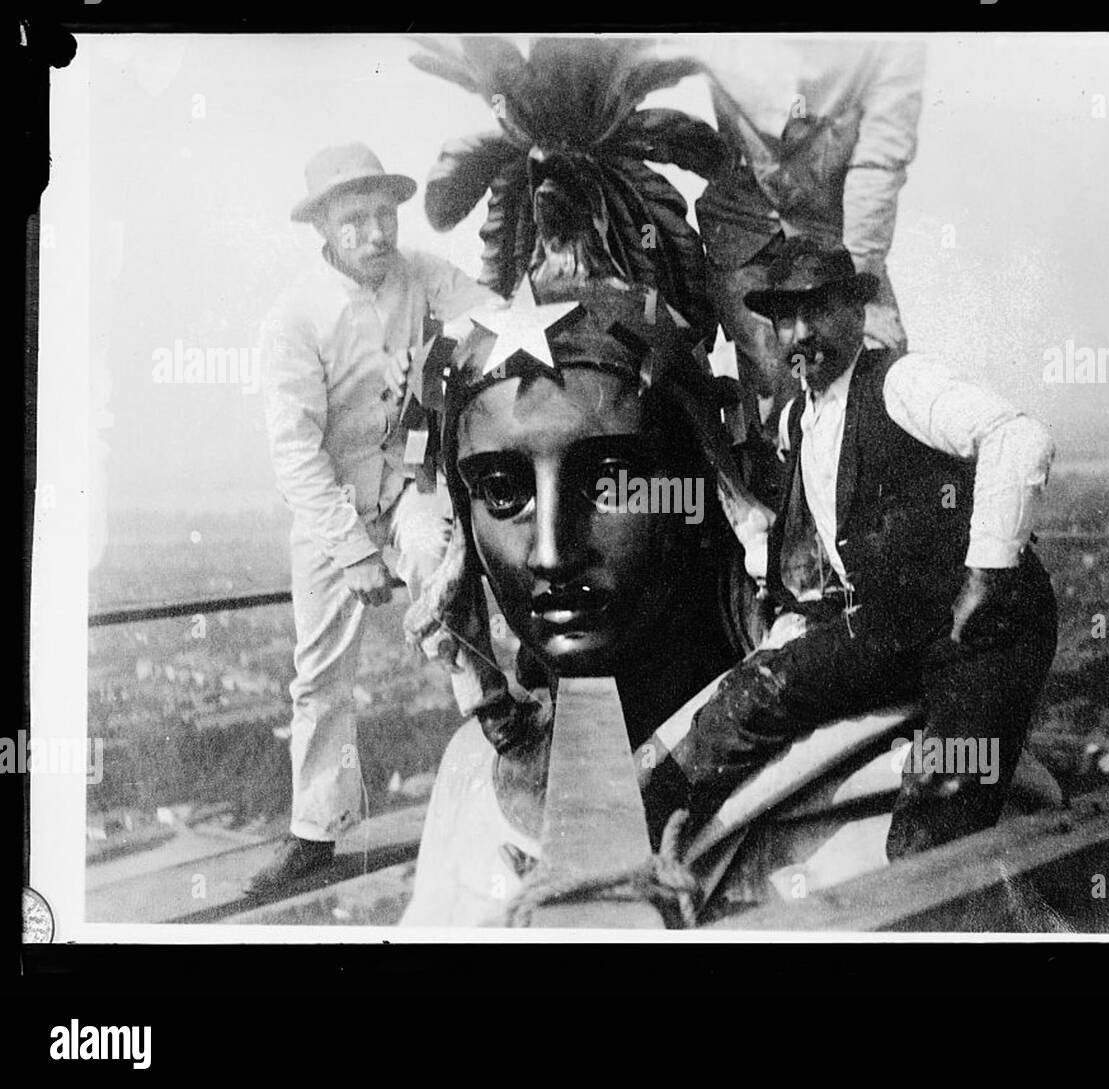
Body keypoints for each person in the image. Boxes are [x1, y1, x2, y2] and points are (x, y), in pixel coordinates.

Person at [637, 237, 1059, 861]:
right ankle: (639, 836)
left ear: (857, 314)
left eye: (819, 312)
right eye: (786, 318)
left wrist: (986, 573)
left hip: (984, 631)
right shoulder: (796, 423)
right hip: (891, 625)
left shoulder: (902, 382)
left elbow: (1018, 437)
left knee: (942, 800)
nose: (801, 333)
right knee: (754, 694)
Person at [401, 282, 748, 926]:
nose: (553, 554)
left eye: (612, 481)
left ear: (702, 496)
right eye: (503, 491)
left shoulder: (842, 780)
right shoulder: (471, 774)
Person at [248, 143, 512, 895]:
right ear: (324, 229)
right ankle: (316, 832)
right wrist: (353, 550)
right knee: (321, 668)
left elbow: (494, 319)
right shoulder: (295, 315)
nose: (375, 233)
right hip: (330, 505)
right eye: (354, 219)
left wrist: (451, 352)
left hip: (405, 480)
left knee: (443, 565)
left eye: (383, 214)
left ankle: (496, 722)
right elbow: (295, 451)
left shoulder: (422, 273)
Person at [660, 37, 925, 425]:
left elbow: (879, 167)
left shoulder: (889, 47)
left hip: (834, 242)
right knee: (776, 379)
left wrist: (856, 286)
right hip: (741, 233)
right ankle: (780, 472)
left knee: (882, 368)